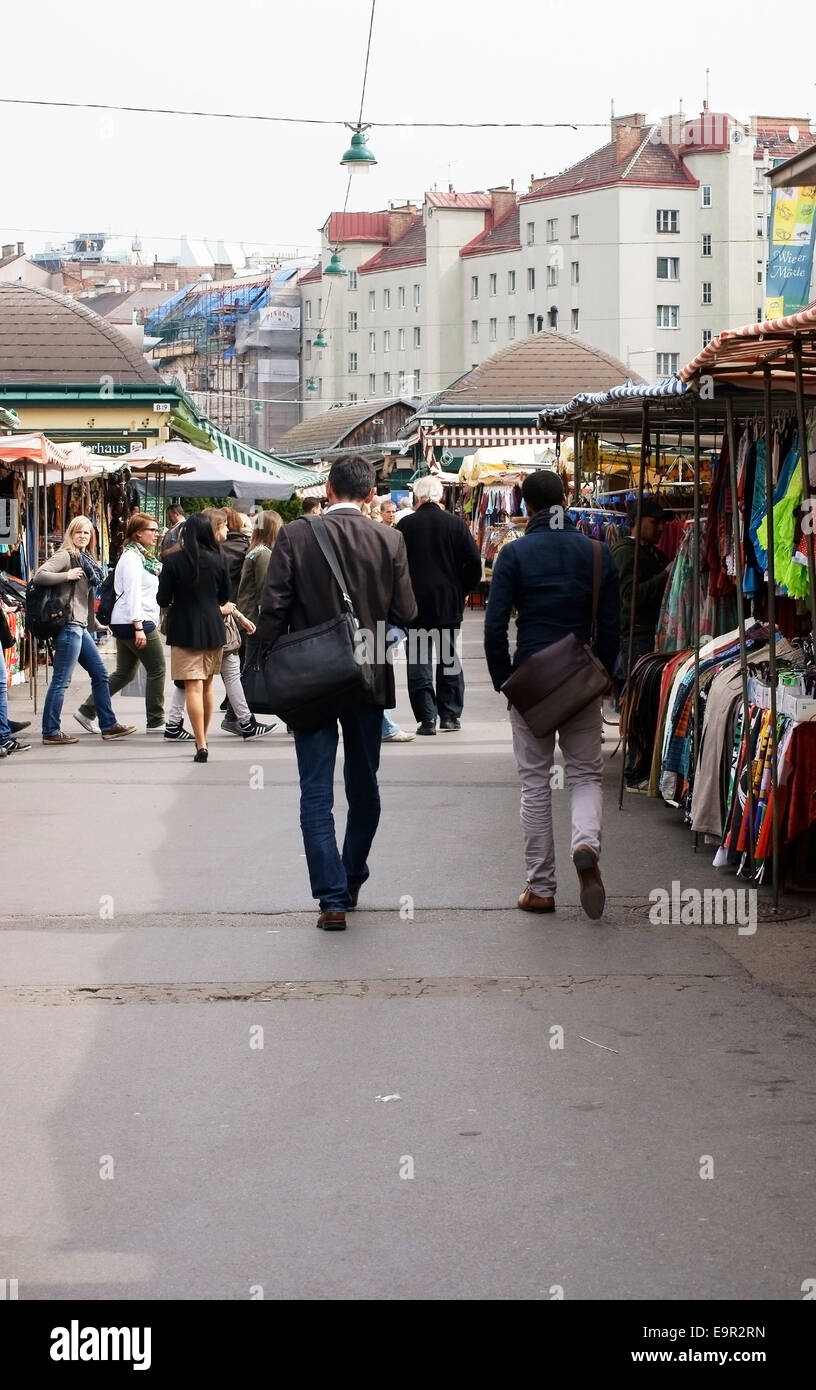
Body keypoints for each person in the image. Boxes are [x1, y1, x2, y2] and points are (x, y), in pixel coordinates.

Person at [258, 454, 417, 930]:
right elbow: (406, 610)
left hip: (310, 679)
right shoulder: (389, 538)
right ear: (371, 495)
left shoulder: (294, 535)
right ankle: (351, 877)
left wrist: (267, 655)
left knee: (315, 790)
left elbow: (273, 608)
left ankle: (330, 899)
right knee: (364, 784)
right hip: (367, 677)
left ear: (327, 488)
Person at [484, 470, 620, 919]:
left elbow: (493, 628)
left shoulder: (514, 554)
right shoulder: (598, 552)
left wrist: (507, 681)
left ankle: (540, 889)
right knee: (584, 775)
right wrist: (597, 674)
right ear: (565, 500)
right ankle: (585, 842)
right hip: (579, 680)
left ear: (525, 505)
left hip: (531, 681)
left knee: (535, 784)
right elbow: (612, 629)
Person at [34, 516, 136, 746]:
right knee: (61, 680)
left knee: (99, 674)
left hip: (80, 626)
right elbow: (39, 575)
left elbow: (87, 598)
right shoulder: (65, 556)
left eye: (87, 533)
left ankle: (108, 725)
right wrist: (65, 575)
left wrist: (95, 624)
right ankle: (50, 730)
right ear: (71, 533)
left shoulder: (87, 560)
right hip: (68, 625)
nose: (82, 536)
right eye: (78, 532)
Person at [398, 474, 482, 734]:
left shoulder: (405, 526)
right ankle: (450, 715)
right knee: (448, 658)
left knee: (419, 659)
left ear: (418, 497)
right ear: (440, 496)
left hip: (415, 605)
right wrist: (462, 589)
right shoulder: (455, 525)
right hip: (448, 602)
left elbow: (395, 566)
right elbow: (474, 564)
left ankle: (427, 719)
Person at [74, 512, 168, 735]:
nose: (156, 534)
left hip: (128, 620)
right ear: (138, 533)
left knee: (124, 673)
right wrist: (139, 627)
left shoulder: (143, 557)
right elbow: (132, 594)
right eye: (151, 530)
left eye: (157, 530)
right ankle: (156, 721)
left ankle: (87, 710)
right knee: (157, 669)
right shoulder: (133, 558)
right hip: (135, 620)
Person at [156, 512, 234, 763]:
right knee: (208, 685)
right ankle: (205, 738)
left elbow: (162, 599)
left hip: (183, 628)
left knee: (192, 685)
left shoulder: (173, 561)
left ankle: (199, 742)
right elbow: (225, 597)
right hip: (213, 626)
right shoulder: (219, 559)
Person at [612, 498, 674, 790]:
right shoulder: (626, 553)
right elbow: (629, 599)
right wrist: (666, 575)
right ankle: (635, 771)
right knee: (639, 705)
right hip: (636, 637)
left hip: (649, 636)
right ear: (637, 521)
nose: (661, 528)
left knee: (648, 702)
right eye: (655, 522)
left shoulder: (650, 553)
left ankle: (644, 767)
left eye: (663, 523)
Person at [205, 510, 274, 740]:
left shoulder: (253, 551)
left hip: (240, 616)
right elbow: (264, 593)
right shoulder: (261, 553)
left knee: (239, 668)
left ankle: (239, 717)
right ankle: (238, 717)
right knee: (247, 667)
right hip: (246, 618)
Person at [235, 510, 283, 619]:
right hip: (254, 618)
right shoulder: (263, 553)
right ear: (272, 529)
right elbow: (263, 591)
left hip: (247, 613)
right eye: (280, 526)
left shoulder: (257, 550)